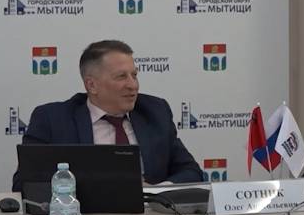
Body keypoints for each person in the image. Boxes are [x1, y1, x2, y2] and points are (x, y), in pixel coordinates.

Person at [12, 40, 202, 191]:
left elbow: (191, 172)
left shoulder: (155, 112)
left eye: (134, 75)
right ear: (92, 85)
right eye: (121, 77)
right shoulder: (52, 120)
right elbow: (24, 183)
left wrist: (155, 192)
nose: (133, 85)